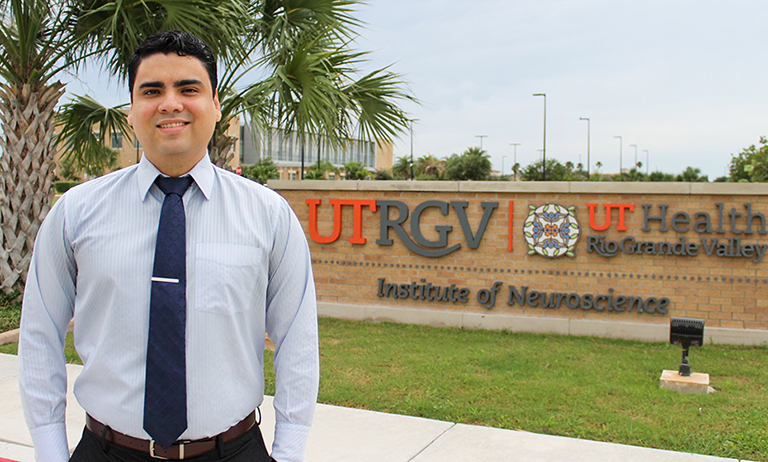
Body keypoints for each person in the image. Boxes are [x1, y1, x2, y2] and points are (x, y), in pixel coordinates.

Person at [18, 30, 319, 462]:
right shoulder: (74, 213)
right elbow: (39, 335)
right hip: (107, 450)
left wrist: (288, 454)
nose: (170, 103)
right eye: (152, 90)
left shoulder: (268, 216)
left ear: (216, 106)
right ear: (131, 111)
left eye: (188, 89)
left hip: (233, 451)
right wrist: (50, 452)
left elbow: (298, 341)